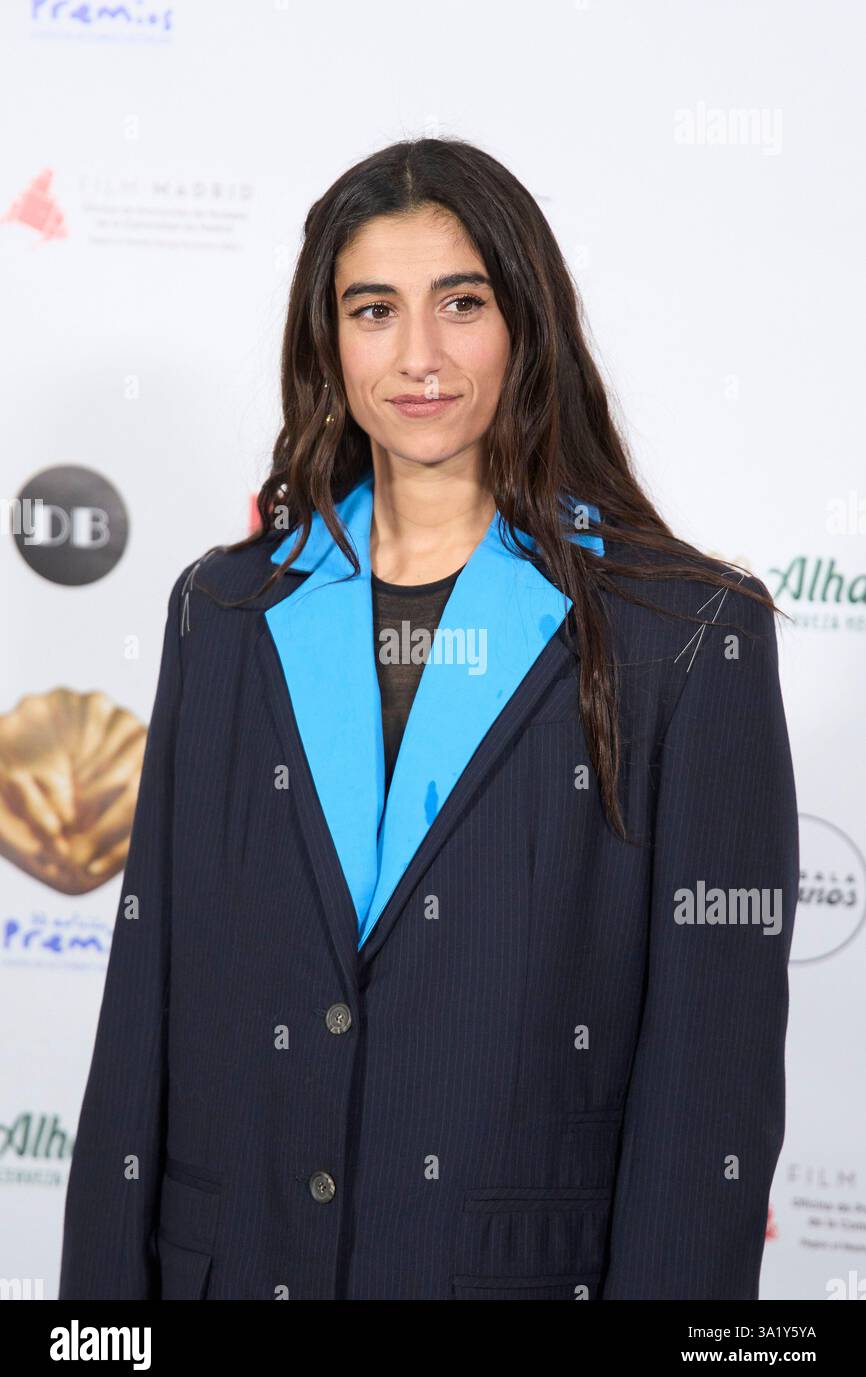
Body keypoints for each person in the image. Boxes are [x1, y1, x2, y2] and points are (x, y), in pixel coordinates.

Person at [58, 137, 799, 1301]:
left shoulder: (690, 632)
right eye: (371, 310)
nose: (417, 357)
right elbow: (143, 1007)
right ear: (326, 341)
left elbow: (705, 1089)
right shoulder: (227, 609)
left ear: (525, 322)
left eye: (460, 303)